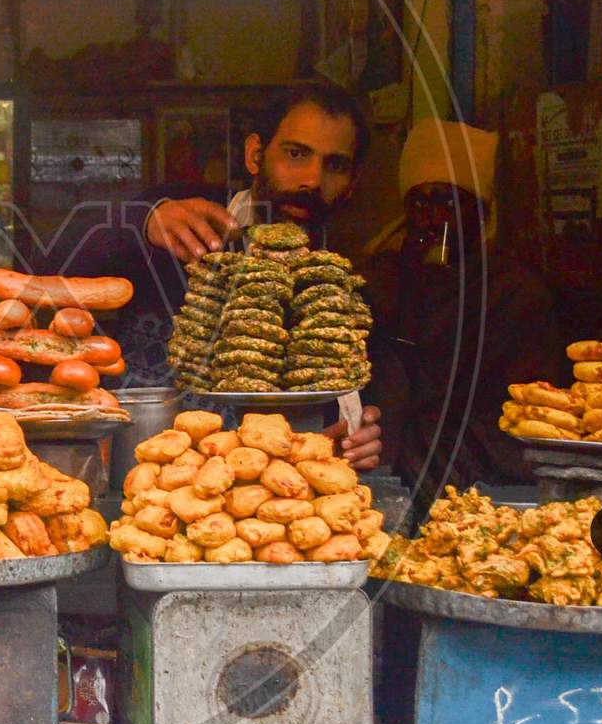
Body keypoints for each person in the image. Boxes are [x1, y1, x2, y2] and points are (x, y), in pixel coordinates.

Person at [49, 84, 381, 466]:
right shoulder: (179, 223)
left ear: (353, 183)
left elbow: (343, 416)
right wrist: (141, 222)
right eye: (295, 153)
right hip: (148, 472)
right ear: (255, 155)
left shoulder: (342, 298)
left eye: (335, 165)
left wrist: (353, 440)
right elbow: (41, 266)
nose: (312, 179)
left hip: (269, 497)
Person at [361, 119, 564, 504]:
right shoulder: (384, 279)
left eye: (449, 203)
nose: (432, 217)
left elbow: (524, 417)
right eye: (420, 202)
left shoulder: (515, 294)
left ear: (481, 212)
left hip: (483, 489)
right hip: (386, 482)